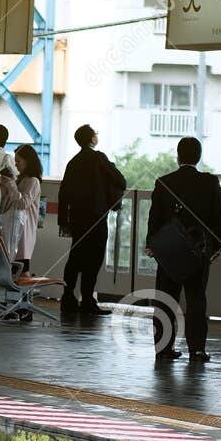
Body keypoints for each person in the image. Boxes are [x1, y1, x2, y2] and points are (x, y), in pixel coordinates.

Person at [145, 137, 221, 363]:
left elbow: (155, 218)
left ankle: (163, 348)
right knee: (196, 298)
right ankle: (197, 350)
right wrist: (215, 247)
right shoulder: (210, 182)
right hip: (198, 251)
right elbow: (217, 218)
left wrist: (151, 244)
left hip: (169, 251)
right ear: (198, 157)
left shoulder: (163, 182)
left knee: (165, 298)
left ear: (178, 156)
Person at [58, 125, 127, 315]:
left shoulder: (73, 162)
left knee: (75, 258)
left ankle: (68, 298)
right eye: (95, 133)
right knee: (93, 259)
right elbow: (121, 181)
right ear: (91, 139)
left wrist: (64, 221)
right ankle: (88, 300)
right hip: (97, 217)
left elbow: (64, 193)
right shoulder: (99, 158)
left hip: (77, 218)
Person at [0, 144, 43, 277]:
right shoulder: (19, 180)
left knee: (23, 270)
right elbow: (6, 205)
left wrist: (11, 184)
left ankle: (23, 295)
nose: (16, 164)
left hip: (23, 233)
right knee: (12, 269)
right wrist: (5, 186)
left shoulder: (33, 181)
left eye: (18, 161)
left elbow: (23, 203)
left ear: (28, 161)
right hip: (13, 230)